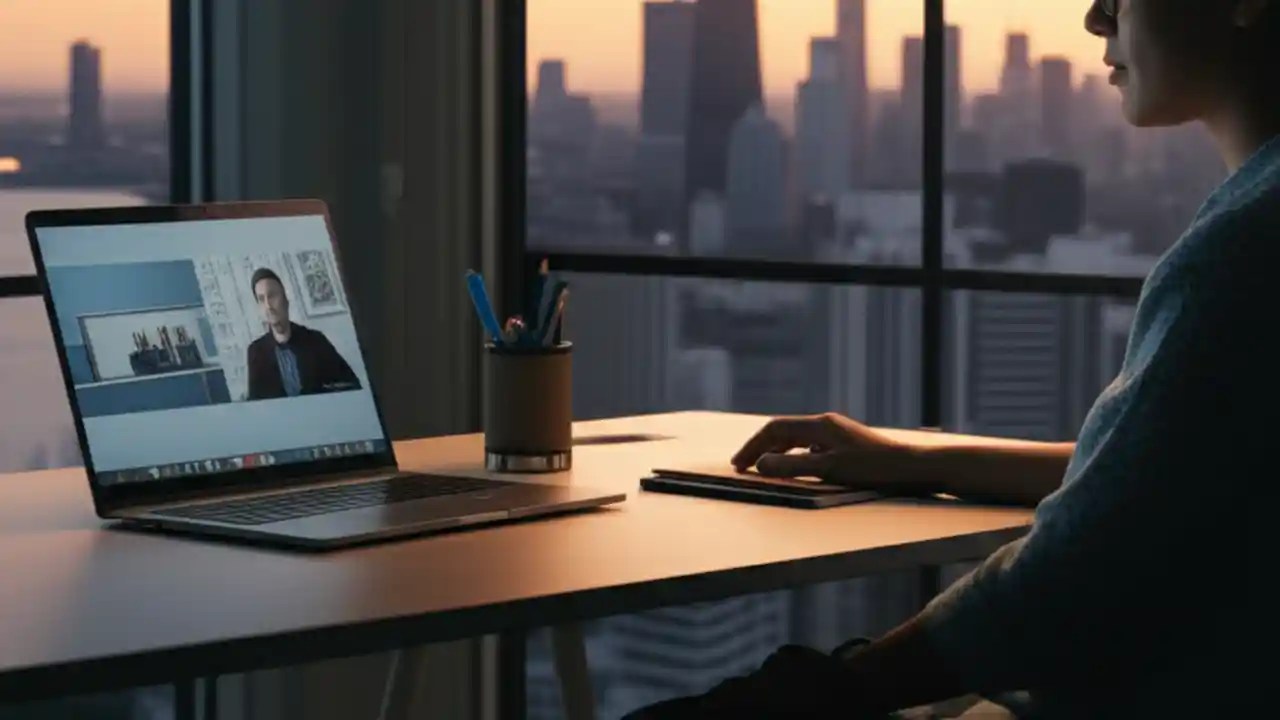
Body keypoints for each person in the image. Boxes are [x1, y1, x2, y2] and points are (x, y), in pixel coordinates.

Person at [625, 0, 1280, 718]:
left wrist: (824, 693)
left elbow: (1066, 580)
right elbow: (1159, 476)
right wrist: (919, 460)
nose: (1097, 18)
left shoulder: (1242, 254)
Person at [245, 267, 361, 400]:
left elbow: (351, 385)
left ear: (285, 300)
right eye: (261, 299)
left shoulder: (316, 340)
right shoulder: (255, 352)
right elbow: (256, 403)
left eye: (272, 296)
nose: (268, 306)